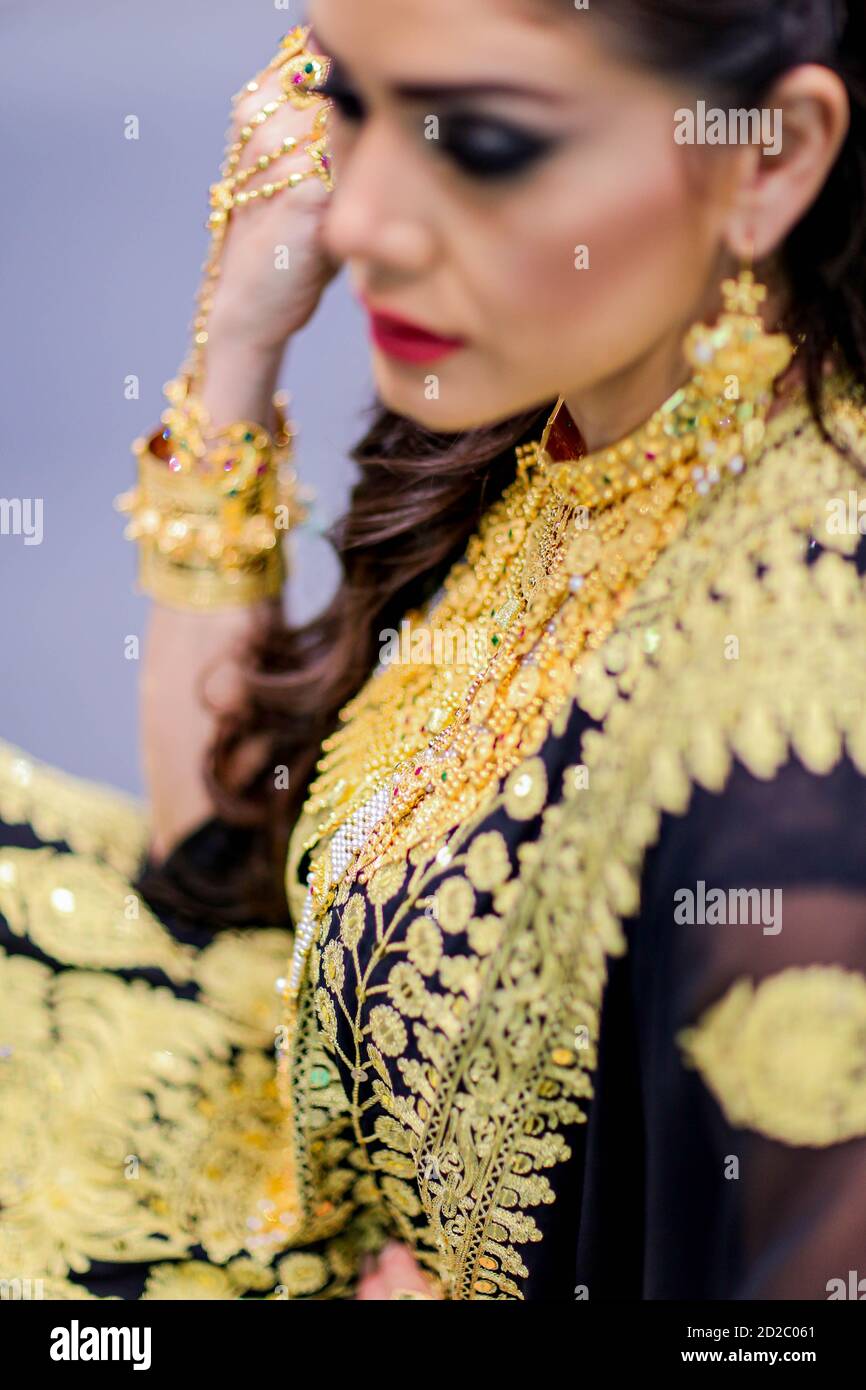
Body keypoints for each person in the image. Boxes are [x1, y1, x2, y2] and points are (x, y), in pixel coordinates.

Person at [2, 0, 866, 1302]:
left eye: (477, 137)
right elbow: (227, 867)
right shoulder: (556, 417)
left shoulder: (785, 753)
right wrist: (235, 347)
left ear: (768, 155)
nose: (355, 225)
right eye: (347, 101)